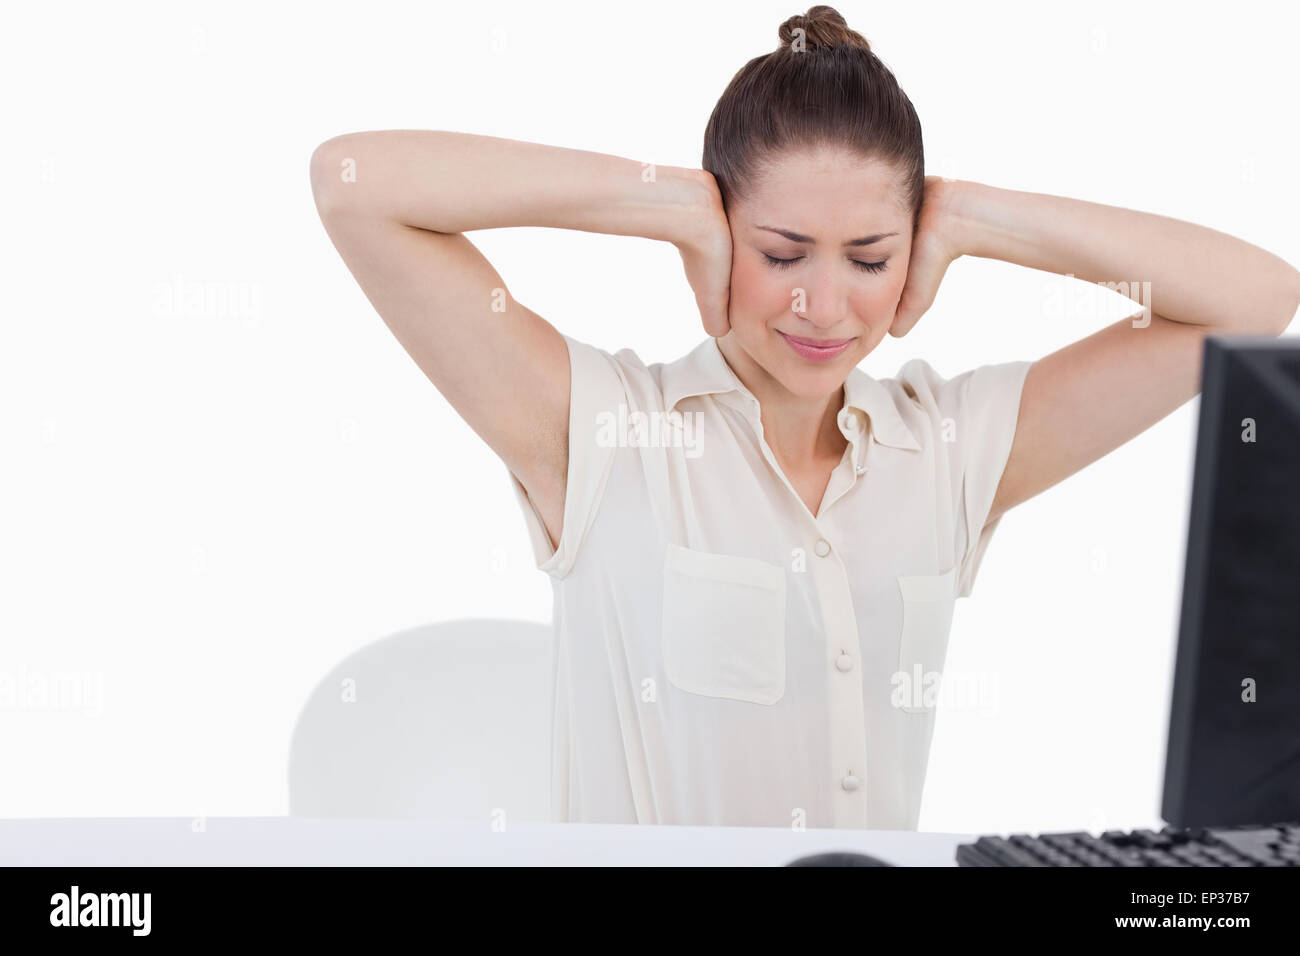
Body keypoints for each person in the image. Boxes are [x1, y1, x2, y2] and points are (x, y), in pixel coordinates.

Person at [308, 6, 1299, 829]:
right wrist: (658, 198)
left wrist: (976, 218)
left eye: (869, 258)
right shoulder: (599, 429)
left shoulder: (948, 451)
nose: (823, 308)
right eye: (782, 253)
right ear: (720, 232)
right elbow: (354, 184)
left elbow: (1254, 299)